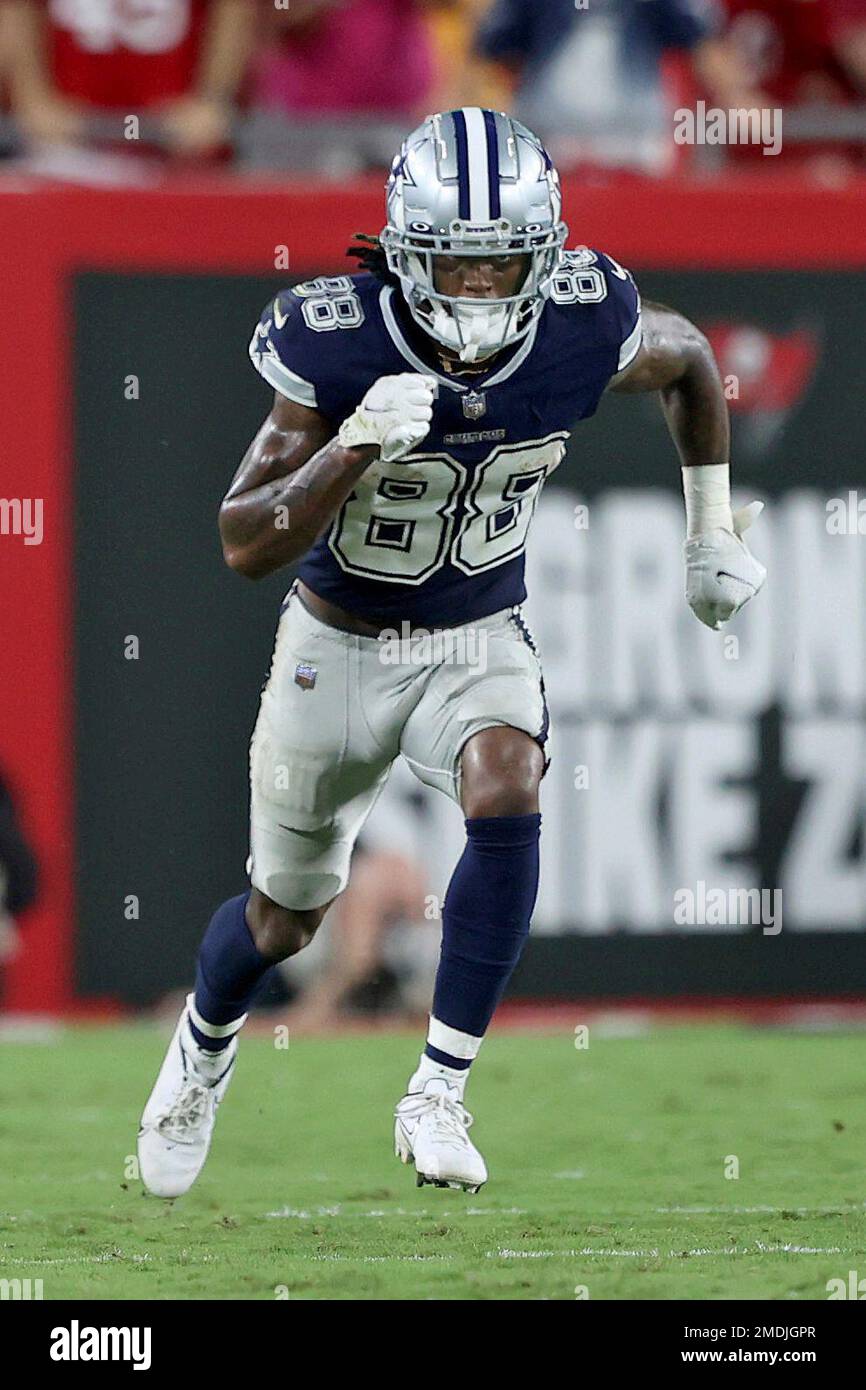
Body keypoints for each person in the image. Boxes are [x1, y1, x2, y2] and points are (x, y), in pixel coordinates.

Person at [137, 107, 766, 1197]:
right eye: (455, 267)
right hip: (334, 645)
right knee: (283, 917)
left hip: (475, 632)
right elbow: (244, 540)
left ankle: (437, 1088)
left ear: (543, 253)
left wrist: (709, 527)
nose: (478, 291)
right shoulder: (337, 340)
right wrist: (347, 447)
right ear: (406, 252)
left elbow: (691, 360)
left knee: (507, 775)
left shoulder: (580, 318)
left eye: (501, 265)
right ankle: (202, 1042)